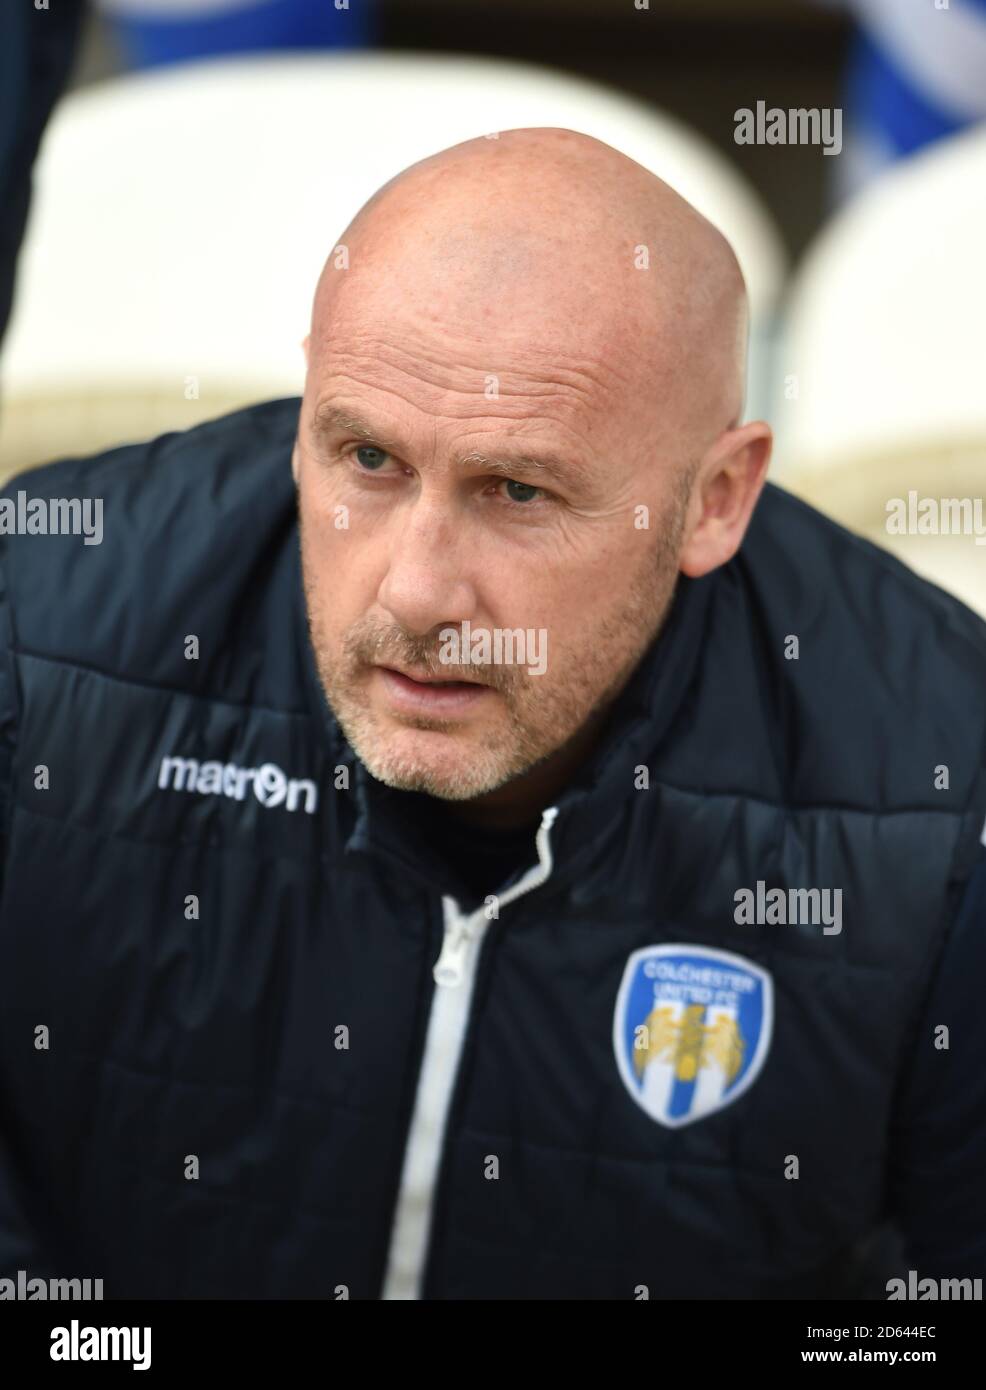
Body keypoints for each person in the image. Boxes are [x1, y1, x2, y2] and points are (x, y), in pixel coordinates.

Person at [0, 128, 983, 1300]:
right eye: (365, 457)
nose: (417, 593)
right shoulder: (37, 639)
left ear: (714, 500)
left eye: (516, 490)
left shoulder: (941, 783)